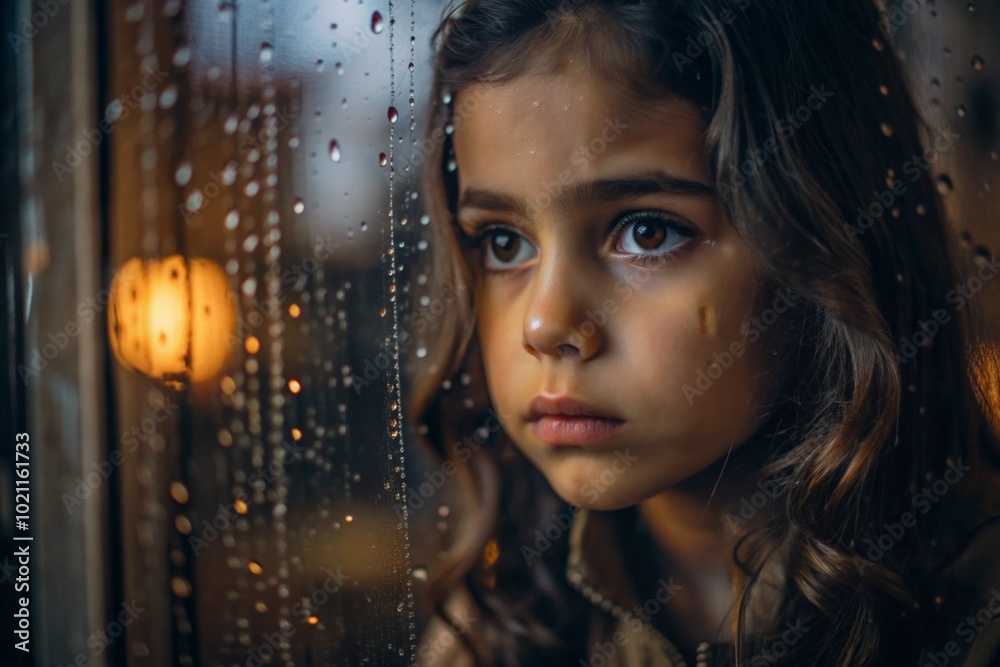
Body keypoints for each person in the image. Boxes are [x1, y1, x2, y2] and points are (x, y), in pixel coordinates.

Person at [406, 0, 1000, 664]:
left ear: (824, 239)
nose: (543, 325)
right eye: (503, 241)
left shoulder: (974, 614)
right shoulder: (498, 615)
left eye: (647, 231)